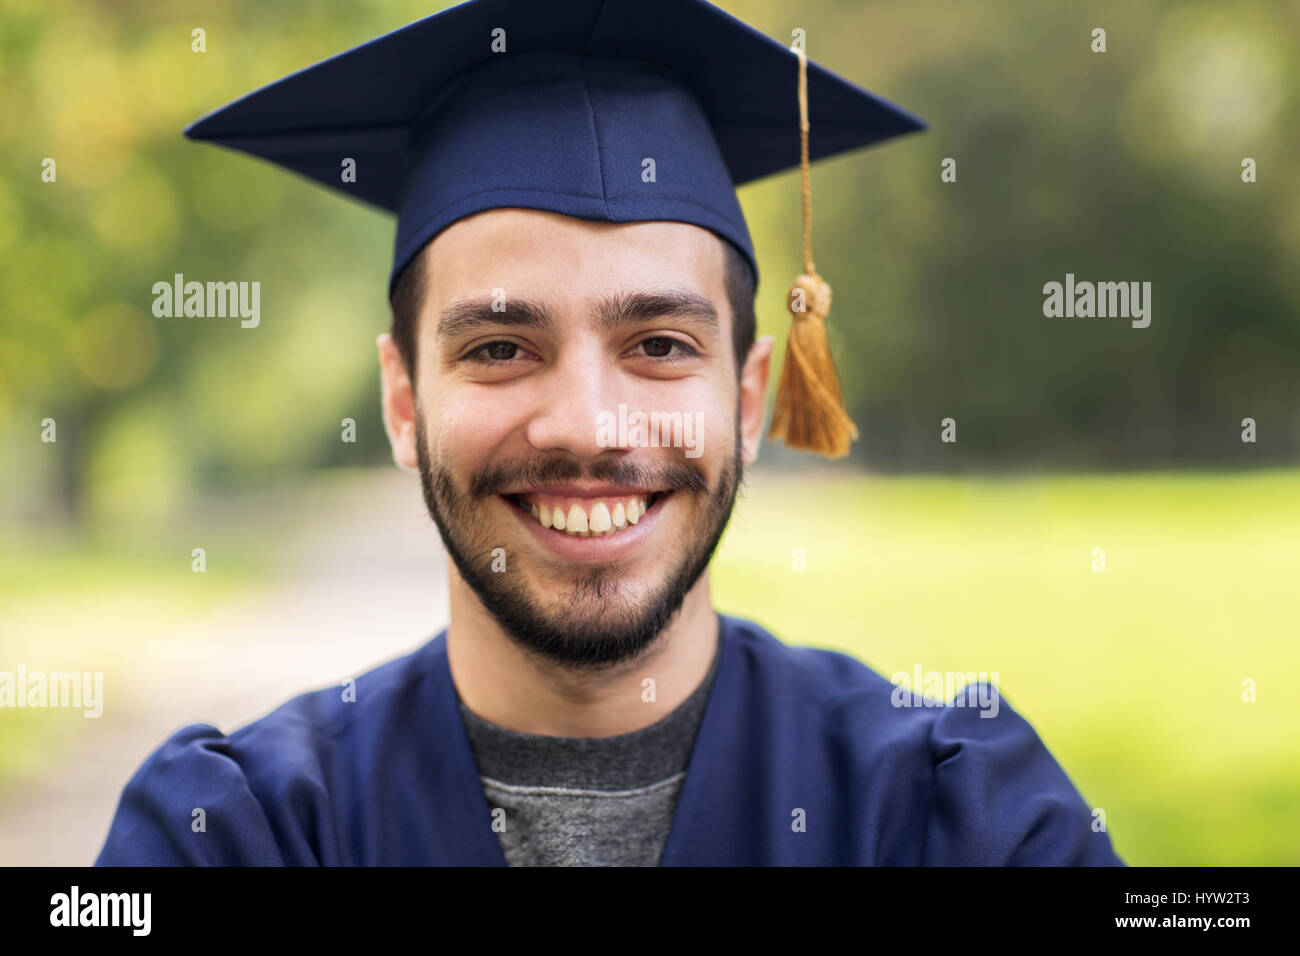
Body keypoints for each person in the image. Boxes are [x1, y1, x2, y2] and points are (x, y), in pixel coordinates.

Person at [97, 0, 1123, 866]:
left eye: (661, 343)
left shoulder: (960, 818)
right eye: (500, 347)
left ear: (751, 396)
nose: (591, 423)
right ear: (403, 402)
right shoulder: (241, 834)